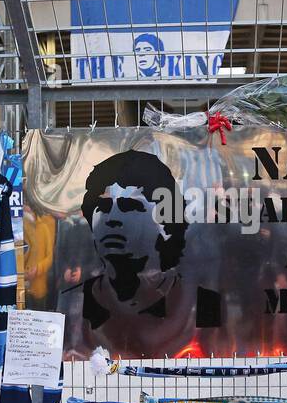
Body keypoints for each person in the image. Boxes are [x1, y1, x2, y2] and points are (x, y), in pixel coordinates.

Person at [61, 150, 221, 356]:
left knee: (205, 295)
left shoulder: (174, 205)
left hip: (185, 267)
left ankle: (206, 346)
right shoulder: (126, 212)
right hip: (146, 282)